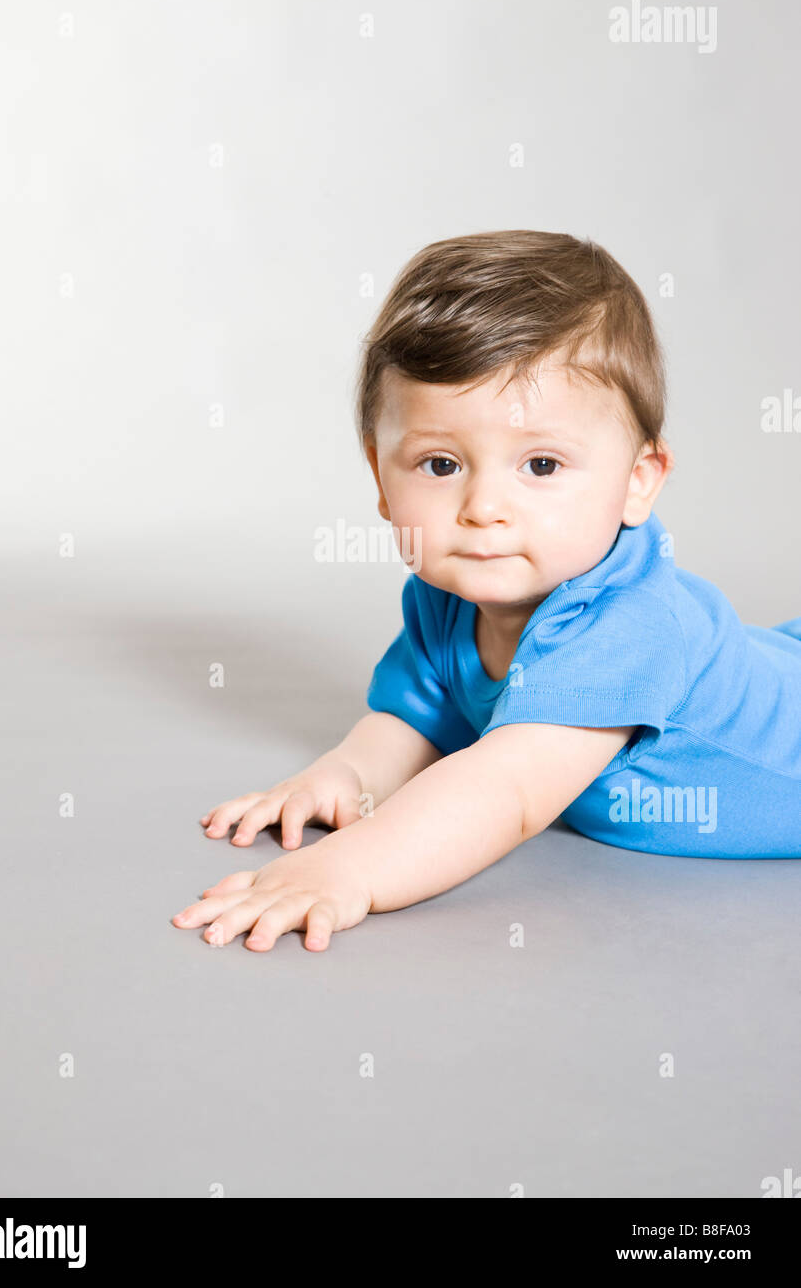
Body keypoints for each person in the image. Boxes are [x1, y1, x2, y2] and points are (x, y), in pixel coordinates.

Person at [172, 230, 801, 952]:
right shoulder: (448, 601)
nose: (484, 508)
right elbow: (413, 723)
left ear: (637, 481)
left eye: (540, 464)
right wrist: (340, 777)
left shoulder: (631, 626)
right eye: (441, 465)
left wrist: (350, 869)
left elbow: (508, 790)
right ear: (380, 476)